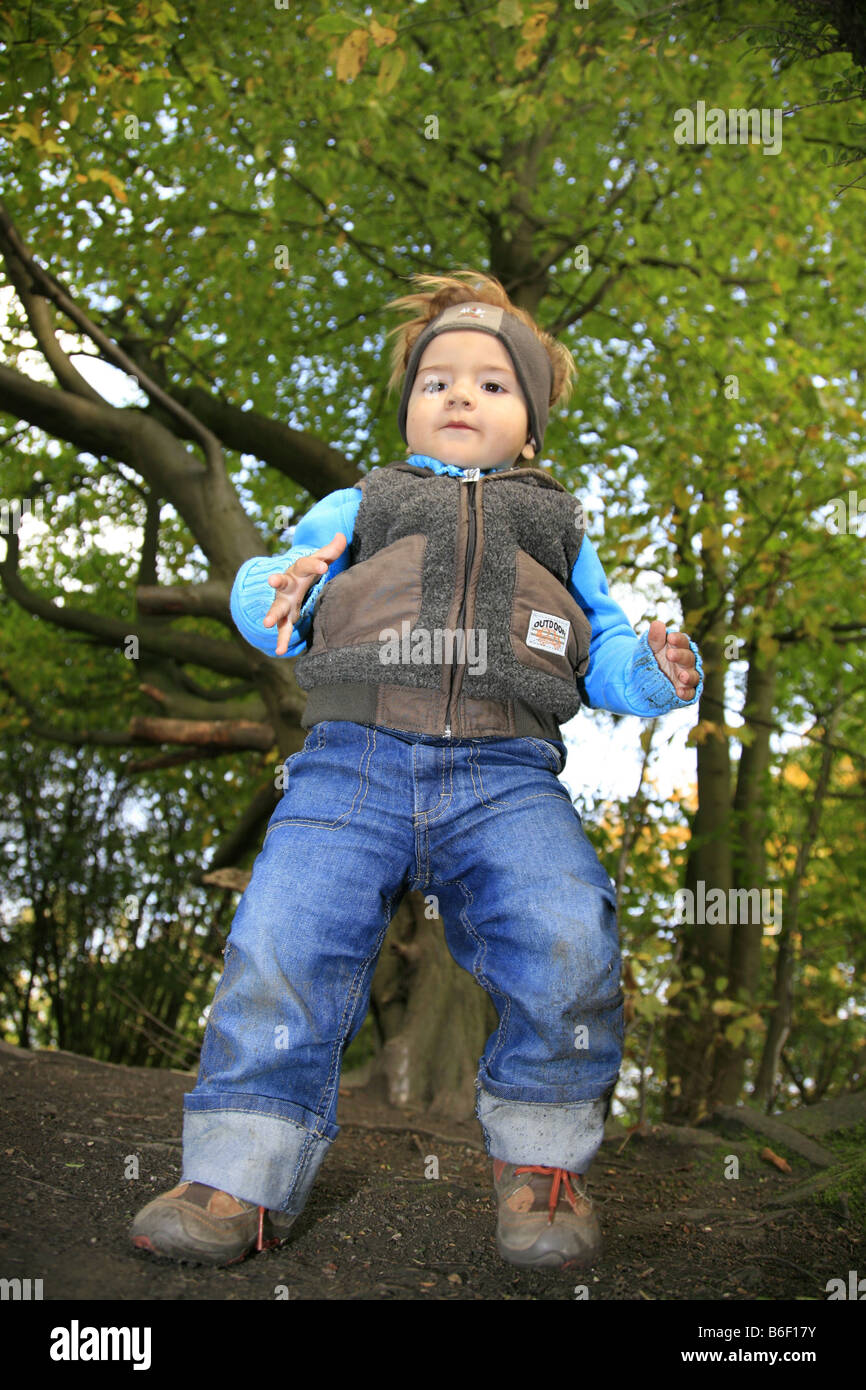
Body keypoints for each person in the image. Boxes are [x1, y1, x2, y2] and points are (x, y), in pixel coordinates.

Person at [131, 270, 702, 1272]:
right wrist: (281, 583)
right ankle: (237, 1171)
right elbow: (277, 587)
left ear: (528, 424)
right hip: (353, 758)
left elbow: (603, 652)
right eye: (436, 381)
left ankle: (541, 1165)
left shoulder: (560, 528)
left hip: (507, 772)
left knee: (567, 931)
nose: (458, 396)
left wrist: (655, 673)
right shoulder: (362, 503)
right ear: (407, 411)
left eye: (489, 383)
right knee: (282, 937)